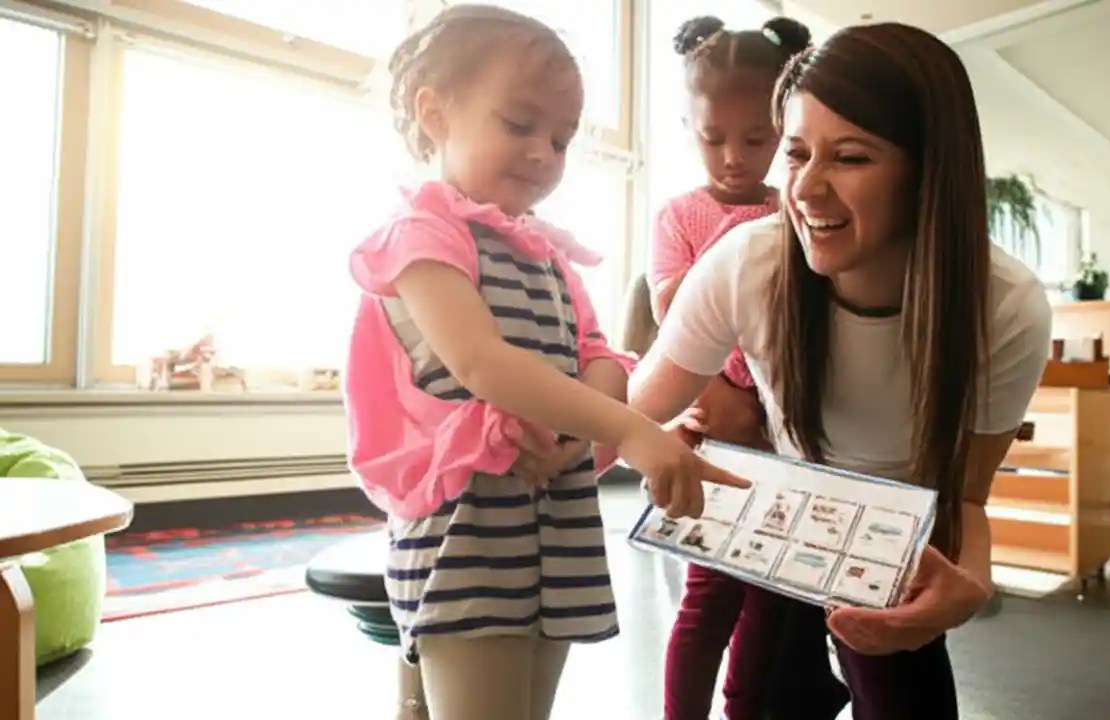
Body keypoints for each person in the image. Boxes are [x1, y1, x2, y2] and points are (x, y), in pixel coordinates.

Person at [629, 22, 1053, 720]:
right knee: (760, 697)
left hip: (899, 536)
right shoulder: (749, 261)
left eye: (851, 157)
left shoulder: (1003, 307)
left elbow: (966, 496)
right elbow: (633, 413)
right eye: (796, 154)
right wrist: (653, 435)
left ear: (927, 169)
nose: (808, 190)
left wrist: (970, 582)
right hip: (783, 504)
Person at [340, 6, 746, 720]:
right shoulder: (421, 233)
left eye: (560, 139)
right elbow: (480, 361)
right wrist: (632, 431)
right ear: (434, 113)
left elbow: (599, 353)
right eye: (519, 125)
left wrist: (577, 436)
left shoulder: (546, 253)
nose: (542, 154)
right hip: (466, 531)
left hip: (552, 524)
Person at [646, 15, 811, 720]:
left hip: (787, 435)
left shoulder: (795, 211)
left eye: (758, 140)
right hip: (713, 434)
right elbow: (670, 312)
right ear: (689, 126)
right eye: (714, 139)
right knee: (708, 596)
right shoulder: (680, 216)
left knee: (770, 595)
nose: (735, 157)